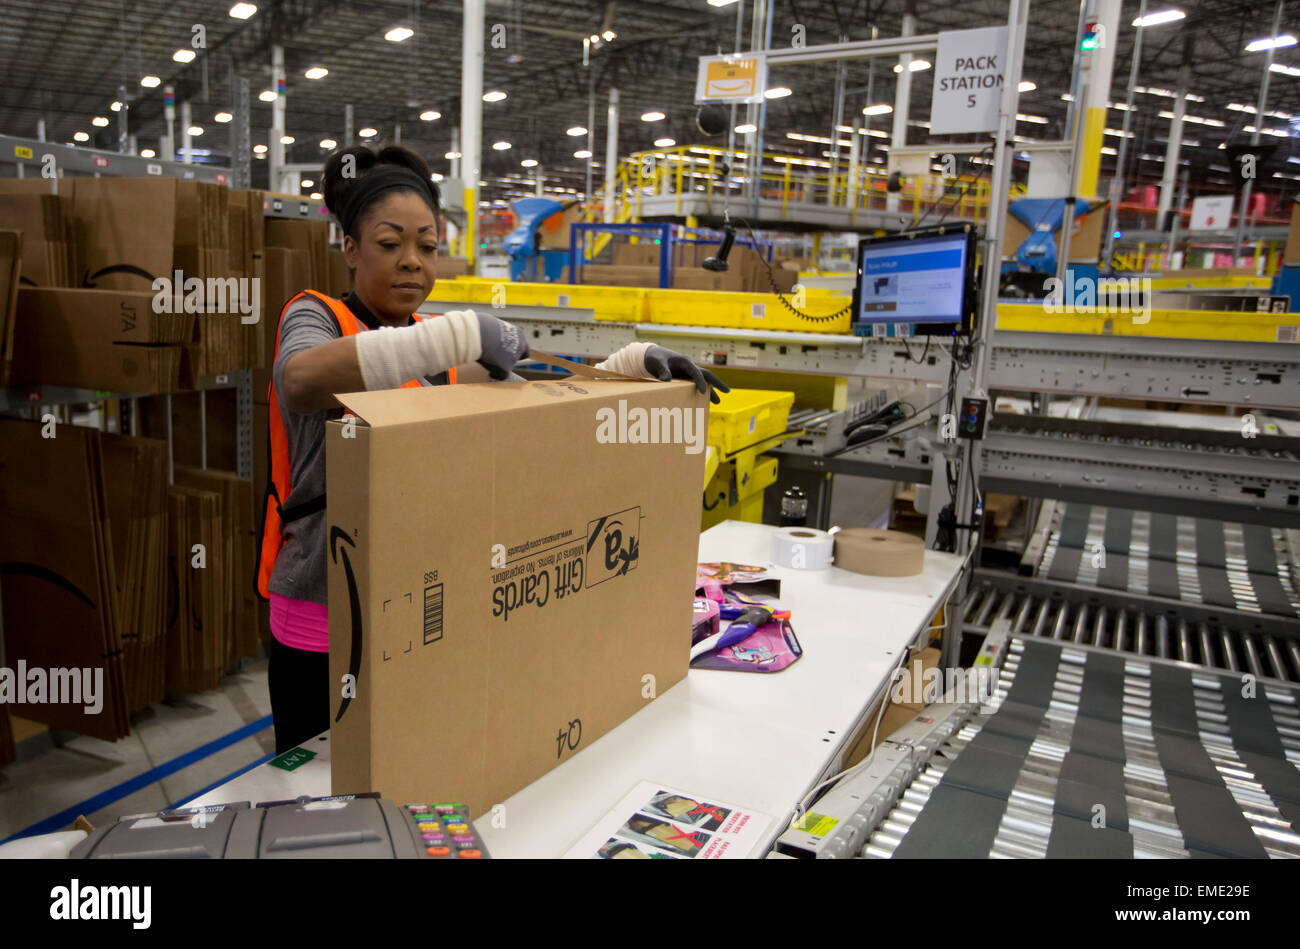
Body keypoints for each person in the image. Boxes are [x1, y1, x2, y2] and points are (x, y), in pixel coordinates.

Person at [256, 143, 728, 753]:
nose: (412, 263)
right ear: (350, 249)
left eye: (427, 247)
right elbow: (298, 380)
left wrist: (633, 365)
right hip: (322, 619)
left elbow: (538, 387)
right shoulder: (314, 317)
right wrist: (459, 335)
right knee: (319, 807)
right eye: (389, 243)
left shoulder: (432, 349)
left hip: (412, 614)